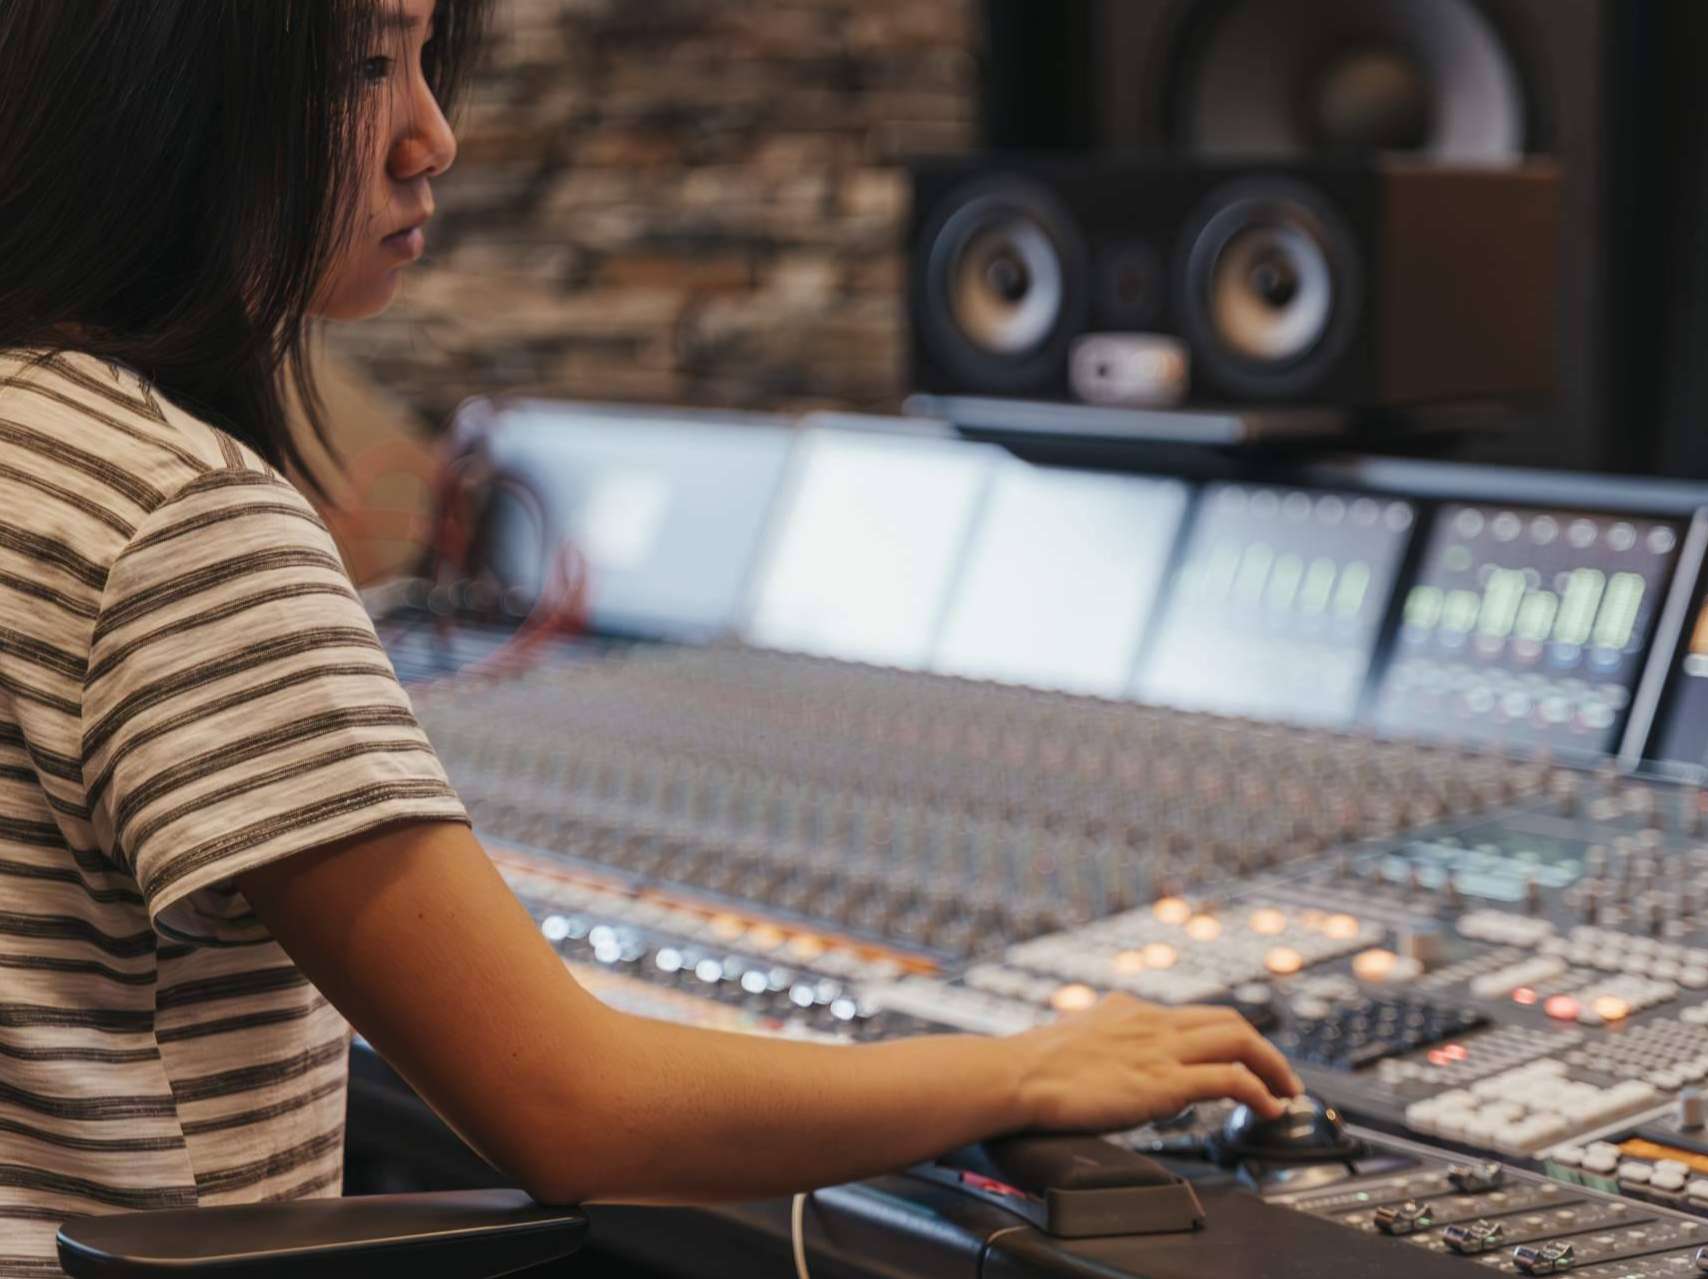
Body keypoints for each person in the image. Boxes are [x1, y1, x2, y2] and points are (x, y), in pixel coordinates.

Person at [0, 0, 1299, 1269]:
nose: (430, 137)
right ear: (155, 105)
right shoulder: (175, 517)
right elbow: (576, 1108)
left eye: (422, 59)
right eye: (358, 70)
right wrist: (1021, 1064)